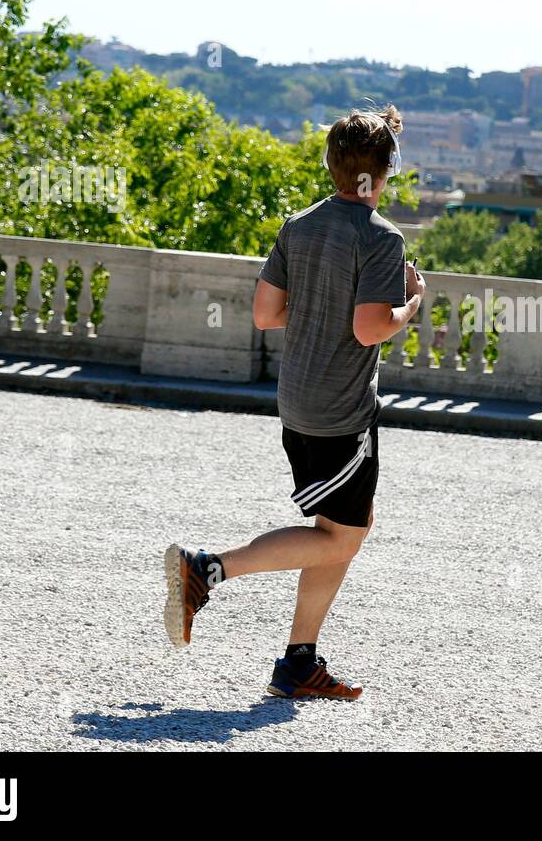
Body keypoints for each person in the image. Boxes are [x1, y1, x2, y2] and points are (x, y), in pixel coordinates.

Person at [162, 105, 424, 700]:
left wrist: (322, 306)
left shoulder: (298, 226)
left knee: (341, 528)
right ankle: (204, 569)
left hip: (296, 399)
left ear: (333, 166)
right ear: (382, 175)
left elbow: (265, 315)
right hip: (343, 410)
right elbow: (368, 329)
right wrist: (410, 302)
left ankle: (298, 662)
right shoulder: (382, 238)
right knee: (343, 537)